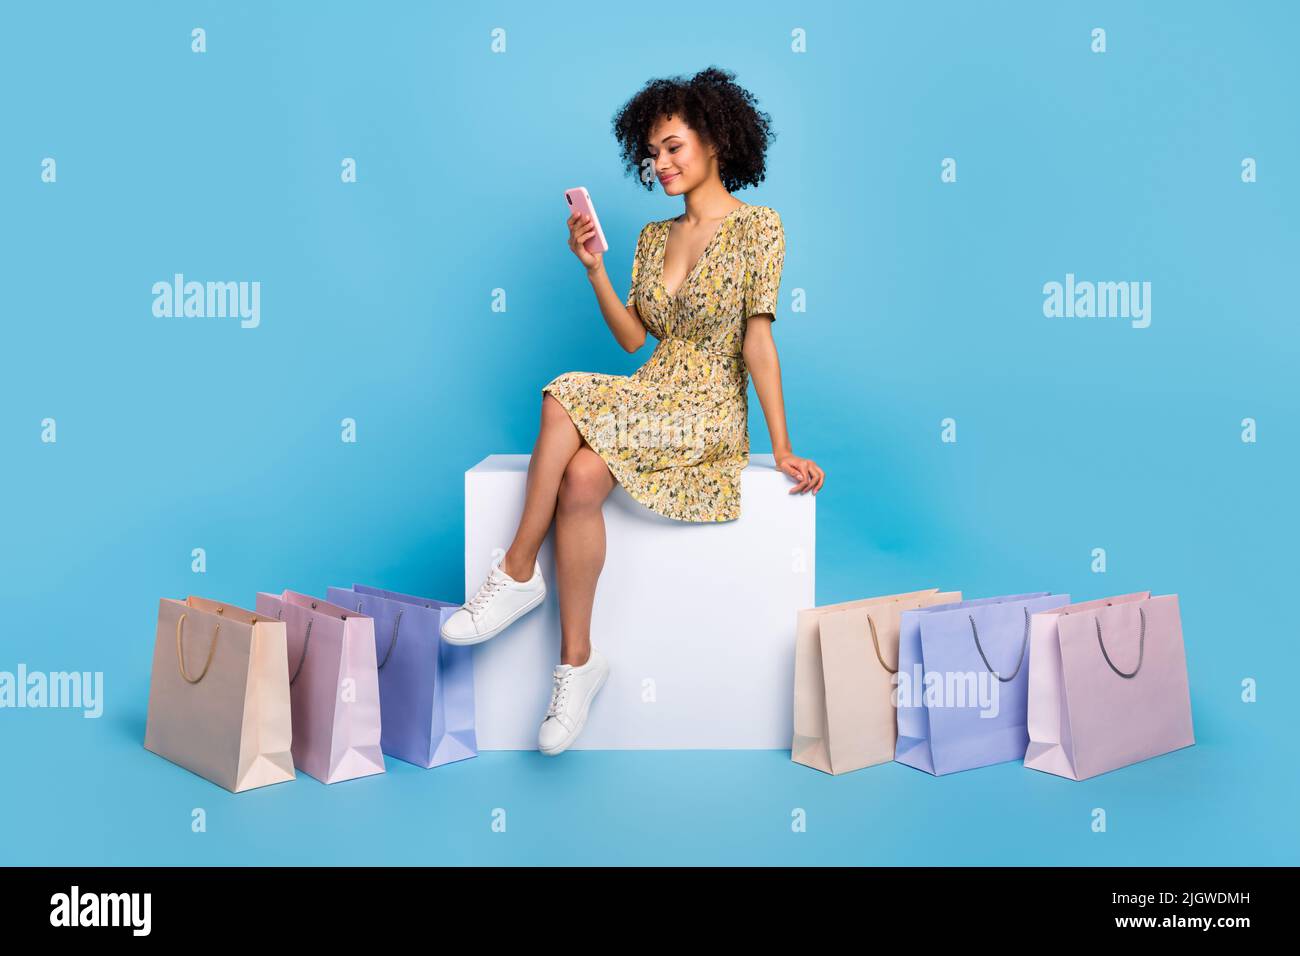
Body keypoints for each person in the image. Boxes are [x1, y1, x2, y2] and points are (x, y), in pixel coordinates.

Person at [441, 66, 824, 756]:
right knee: (582, 476)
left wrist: (784, 444)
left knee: (563, 396)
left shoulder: (759, 228)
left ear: (715, 140)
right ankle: (577, 666)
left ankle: (517, 572)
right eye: (651, 154)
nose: (661, 164)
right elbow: (633, 338)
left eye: (674, 147)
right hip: (655, 388)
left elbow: (757, 342)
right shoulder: (652, 237)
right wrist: (592, 267)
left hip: (708, 406)